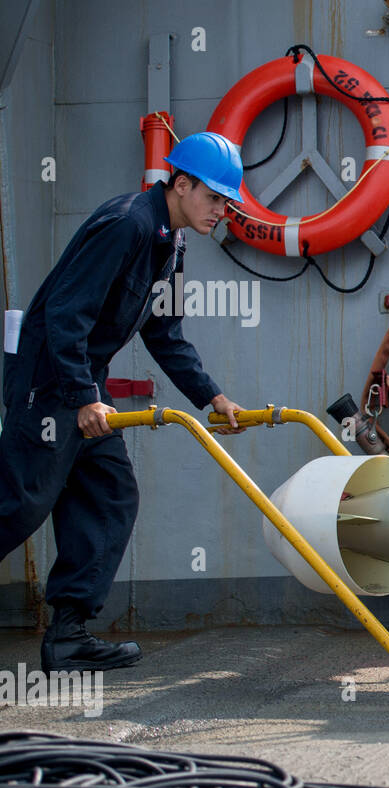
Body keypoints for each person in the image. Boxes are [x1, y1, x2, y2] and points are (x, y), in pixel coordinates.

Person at [0, 131, 248, 672]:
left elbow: (165, 334)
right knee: (20, 505)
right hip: (49, 382)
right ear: (181, 184)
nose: (222, 211)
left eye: (228, 202)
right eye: (214, 197)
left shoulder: (172, 244)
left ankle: (67, 636)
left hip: (84, 386)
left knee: (110, 494)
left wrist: (212, 396)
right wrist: (84, 396)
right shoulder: (128, 224)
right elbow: (66, 313)